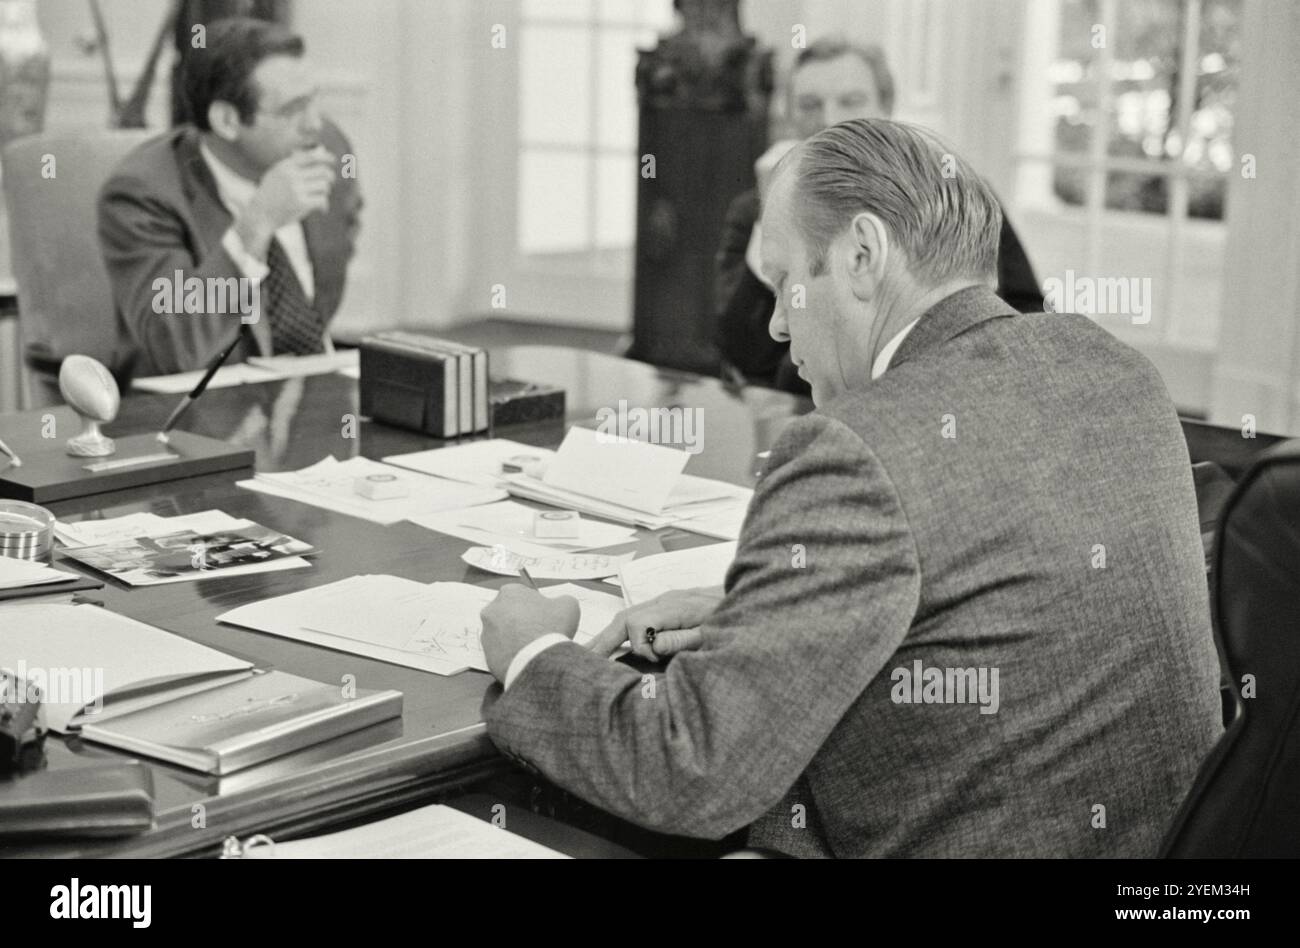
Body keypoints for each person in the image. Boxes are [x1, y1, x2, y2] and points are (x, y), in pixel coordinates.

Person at [478, 119, 1223, 858]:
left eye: (786, 284)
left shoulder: (852, 452)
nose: (772, 325)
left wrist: (532, 651)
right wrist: (769, 617)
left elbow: (690, 769)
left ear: (862, 255)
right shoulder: (1120, 375)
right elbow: (1017, 588)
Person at [716, 37, 1042, 394]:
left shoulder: (958, 195)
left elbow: (1027, 313)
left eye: (850, 102)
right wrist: (775, 216)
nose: (828, 119)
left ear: (886, 107)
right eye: (809, 105)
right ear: (790, 117)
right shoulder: (753, 208)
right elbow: (743, 353)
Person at [98, 17, 361, 377]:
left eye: (314, 101)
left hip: (316, 392)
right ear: (227, 121)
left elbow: (340, 245)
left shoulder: (327, 149)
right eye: (292, 109)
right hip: (199, 407)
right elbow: (176, 346)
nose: (314, 123)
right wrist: (256, 225)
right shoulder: (143, 195)